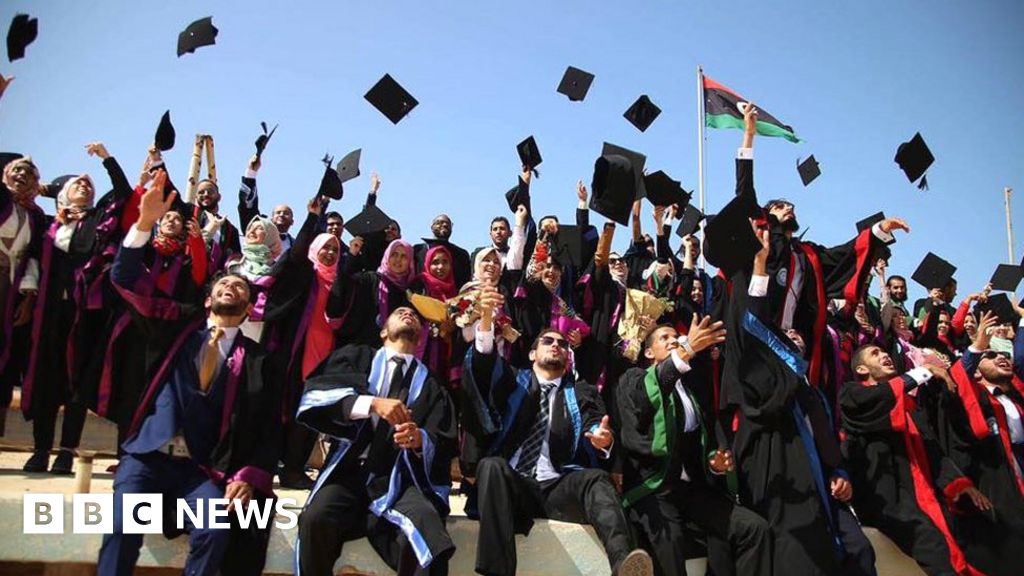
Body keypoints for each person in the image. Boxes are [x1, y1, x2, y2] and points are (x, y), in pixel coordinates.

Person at [98, 172, 281, 576]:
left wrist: (247, 476)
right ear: (207, 297)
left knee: (215, 533)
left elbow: (269, 427)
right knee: (122, 527)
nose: (231, 287)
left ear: (250, 308)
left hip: (199, 470)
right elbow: (124, 279)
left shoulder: (258, 361)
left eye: (240, 286)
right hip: (147, 457)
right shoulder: (177, 328)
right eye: (224, 283)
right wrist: (144, 224)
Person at [461, 287, 654, 576]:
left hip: (557, 487)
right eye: (547, 341)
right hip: (514, 488)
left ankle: (623, 563)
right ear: (531, 353)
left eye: (562, 344)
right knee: (491, 466)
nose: (555, 346)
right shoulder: (513, 381)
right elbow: (483, 366)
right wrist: (486, 321)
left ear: (568, 357)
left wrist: (605, 441)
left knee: (596, 479)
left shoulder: (582, 392)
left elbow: (595, 424)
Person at [725, 223, 877, 575]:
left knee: (860, 551)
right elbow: (751, 325)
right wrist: (760, 264)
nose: (793, 333)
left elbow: (827, 445)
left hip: (824, 494)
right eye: (784, 336)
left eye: (797, 334)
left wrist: (839, 472)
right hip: (785, 492)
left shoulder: (813, 396)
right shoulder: (765, 388)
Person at [295, 307, 457, 576]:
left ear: (421, 337)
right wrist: (372, 404)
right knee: (316, 518)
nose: (409, 314)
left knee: (427, 530)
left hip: (400, 478)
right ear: (383, 332)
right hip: (349, 472)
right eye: (401, 312)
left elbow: (444, 439)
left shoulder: (431, 384)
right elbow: (318, 397)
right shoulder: (356, 357)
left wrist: (419, 441)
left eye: (415, 316)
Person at [617, 319, 772, 576]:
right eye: (664, 338)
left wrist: (715, 463)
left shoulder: (691, 393)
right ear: (648, 352)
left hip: (690, 489)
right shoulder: (634, 379)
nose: (673, 341)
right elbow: (646, 396)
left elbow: (704, 443)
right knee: (671, 546)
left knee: (755, 529)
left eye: (675, 337)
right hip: (653, 489)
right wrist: (686, 350)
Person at [21, 142, 136, 474]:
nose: (84, 186)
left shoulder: (101, 220)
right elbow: (31, 260)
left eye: (87, 185)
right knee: (46, 380)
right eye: (76, 185)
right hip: (48, 313)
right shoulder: (46, 225)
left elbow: (124, 192)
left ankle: (67, 451)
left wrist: (106, 159)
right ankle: (41, 448)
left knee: (77, 385)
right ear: (63, 195)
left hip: (87, 314)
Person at [842, 344, 992, 575]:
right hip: (887, 500)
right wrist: (924, 370)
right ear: (861, 369)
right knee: (933, 544)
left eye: (885, 351)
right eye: (875, 353)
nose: (885, 355)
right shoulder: (852, 394)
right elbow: (879, 398)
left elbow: (933, 453)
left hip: (922, 496)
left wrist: (960, 484)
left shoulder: (910, 405)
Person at [947, 311, 1024, 570]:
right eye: (990, 355)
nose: (1002, 357)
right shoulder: (972, 397)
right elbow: (955, 384)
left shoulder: (1015, 396)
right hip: (995, 485)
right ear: (977, 372)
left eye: (1004, 354)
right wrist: (978, 347)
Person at [0, 155, 46, 436]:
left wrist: (28, 298)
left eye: (28, 173)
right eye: (16, 170)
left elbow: (33, 257)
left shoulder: (35, 215)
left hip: (10, 287)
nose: (21, 176)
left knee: (5, 358)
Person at [327, 238, 414, 348]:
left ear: (410, 261)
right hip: (357, 350)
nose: (398, 259)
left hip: (388, 354)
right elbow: (344, 285)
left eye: (404, 256)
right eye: (394, 254)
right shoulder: (369, 279)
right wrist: (352, 256)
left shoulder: (409, 293)